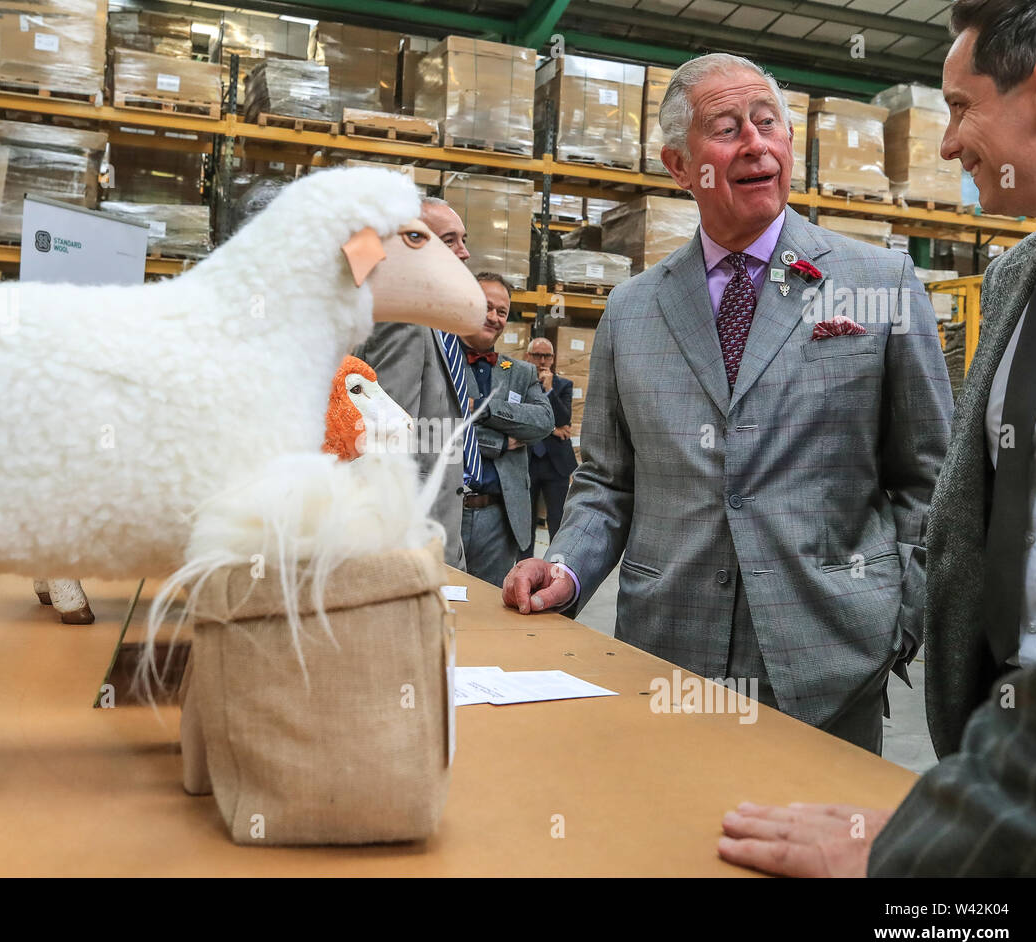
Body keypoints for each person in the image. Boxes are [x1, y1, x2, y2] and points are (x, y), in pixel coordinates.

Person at [502, 52, 954, 753]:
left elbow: (929, 475)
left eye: (768, 122)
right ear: (680, 166)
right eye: (727, 127)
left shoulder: (881, 283)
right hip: (668, 650)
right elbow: (605, 485)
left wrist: (895, 618)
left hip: (830, 660)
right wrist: (564, 565)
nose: (756, 143)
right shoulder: (632, 310)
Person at [719, 0, 1036, 876]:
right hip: (992, 731)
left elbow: (915, 463)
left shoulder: (875, 279)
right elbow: (968, 491)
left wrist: (922, 856)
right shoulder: (1020, 274)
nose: (946, 145)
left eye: (959, 105)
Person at [355, 197, 474, 569]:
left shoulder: (435, 317)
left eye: (464, 239)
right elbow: (388, 443)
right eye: (450, 240)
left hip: (440, 525)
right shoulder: (404, 321)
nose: (465, 253)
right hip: (410, 538)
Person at [459, 273, 553, 586]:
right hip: (447, 512)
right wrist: (498, 444)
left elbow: (543, 421)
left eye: (501, 311)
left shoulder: (522, 372)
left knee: (489, 617)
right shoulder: (442, 361)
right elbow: (438, 429)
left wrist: (483, 409)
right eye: (486, 306)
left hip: (500, 520)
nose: (494, 317)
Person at [520, 336, 576, 556]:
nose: (542, 360)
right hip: (527, 461)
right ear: (528, 356)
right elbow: (520, 418)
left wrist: (550, 390)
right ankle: (522, 568)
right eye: (537, 355)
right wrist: (551, 429)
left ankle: (555, 569)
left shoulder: (564, 386)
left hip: (556, 465)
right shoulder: (520, 382)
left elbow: (564, 419)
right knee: (525, 522)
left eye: (547, 356)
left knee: (557, 520)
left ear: (553, 359)